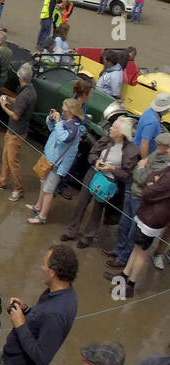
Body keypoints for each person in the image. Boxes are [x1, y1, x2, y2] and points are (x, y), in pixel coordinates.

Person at [60, 116, 139, 248]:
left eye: (114, 127)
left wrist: (112, 169)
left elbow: (127, 175)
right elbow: (92, 153)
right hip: (93, 173)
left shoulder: (131, 151)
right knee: (81, 203)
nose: (111, 128)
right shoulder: (106, 139)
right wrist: (95, 161)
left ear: (122, 132)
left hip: (108, 181)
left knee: (97, 209)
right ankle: (71, 231)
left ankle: (87, 237)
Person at [108, 129, 170, 278]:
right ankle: (120, 253)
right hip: (137, 195)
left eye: (160, 145)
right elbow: (141, 175)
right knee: (125, 226)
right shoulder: (156, 155)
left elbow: (146, 183)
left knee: (134, 238)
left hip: (147, 207)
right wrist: (143, 172)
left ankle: (125, 264)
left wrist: (143, 168)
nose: (158, 147)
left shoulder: (165, 166)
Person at [27, 99, 85, 225]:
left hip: (57, 164)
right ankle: (38, 206)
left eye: (64, 109)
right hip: (49, 159)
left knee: (49, 190)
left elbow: (64, 138)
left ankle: (42, 216)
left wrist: (58, 122)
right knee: (43, 184)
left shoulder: (74, 127)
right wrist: (51, 119)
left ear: (70, 111)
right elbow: (53, 130)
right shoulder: (65, 121)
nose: (62, 111)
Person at [0, 63, 37, 202]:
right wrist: (8, 98)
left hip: (16, 132)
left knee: (13, 162)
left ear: (20, 77)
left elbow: (15, 115)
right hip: (14, 130)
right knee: (6, 157)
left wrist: (3, 105)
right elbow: (19, 102)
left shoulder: (25, 94)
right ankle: (2, 181)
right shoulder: (29, 90)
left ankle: (18, 189)